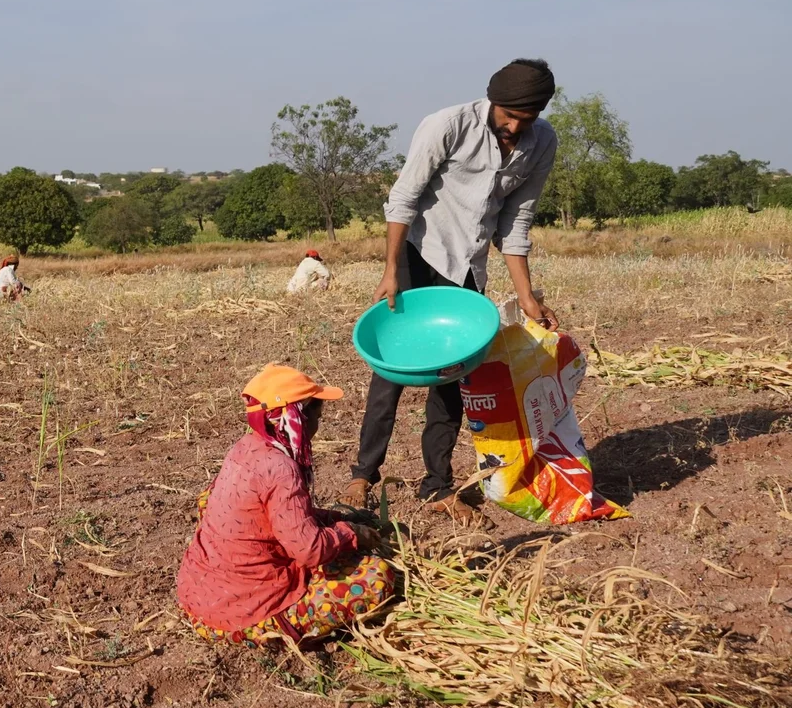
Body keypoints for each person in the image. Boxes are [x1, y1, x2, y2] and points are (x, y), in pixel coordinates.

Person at [345, 58, 561, 525]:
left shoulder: (543, 142)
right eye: (509, 116)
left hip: (468, 265)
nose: (515, 127)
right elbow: (404, 198)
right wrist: (390, 271)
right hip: (418, 252)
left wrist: (526, 295)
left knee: (451, 374)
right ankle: (363, 474)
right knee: (391, 369)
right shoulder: (447, 125)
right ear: (493, 100)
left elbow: (516, 220)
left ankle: (437, 485)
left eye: (526, 119)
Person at [177, 364, 395, 648]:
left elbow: (277, 516)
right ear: (298, 418)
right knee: (376, 577)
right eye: (317, 416)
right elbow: (309, 550)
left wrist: (334, 519)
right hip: (243, 614)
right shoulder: (281, 469)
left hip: (200, 600)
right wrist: (351, 534)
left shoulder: (244, 448)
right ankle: (280, 631)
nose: (318, 424)